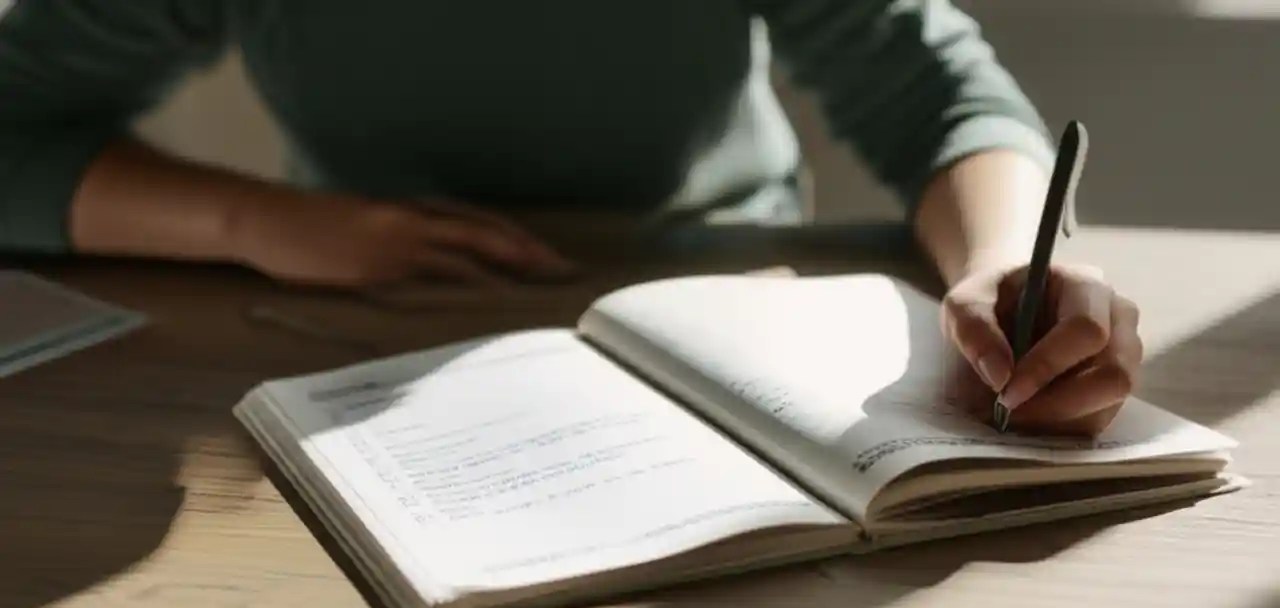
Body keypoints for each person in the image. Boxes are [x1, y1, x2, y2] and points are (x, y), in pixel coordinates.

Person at [0, 0, 1140, 435]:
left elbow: (936, 93)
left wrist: (1004, 263)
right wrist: (250, 222)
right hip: (366, 328)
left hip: (732, 321)